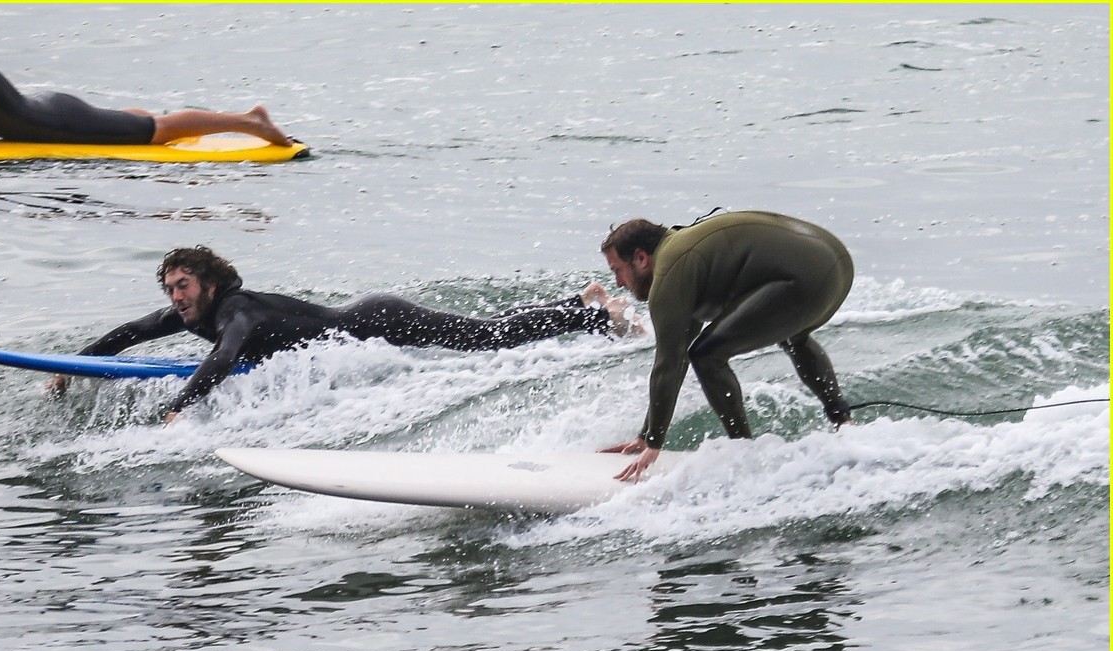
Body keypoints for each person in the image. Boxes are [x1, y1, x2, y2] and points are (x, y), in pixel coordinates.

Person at [48, 246, 638, 424]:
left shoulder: (236, 311)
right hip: (360, 325)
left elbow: (227, 357)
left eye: (182, 286)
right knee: (486, 333)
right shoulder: (192, 314)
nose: (174, 298)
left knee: (486, 339)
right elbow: (130, 332)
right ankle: (578, 303)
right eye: (170, 289)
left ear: (207, 283)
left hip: (373, 322)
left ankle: (594, 316)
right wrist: (71, 365)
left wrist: (180, 406)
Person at [598, 210, 854, 482]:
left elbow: (668, 364)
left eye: (618, 270)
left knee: (707, 355)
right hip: (836, 266)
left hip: (805, 277)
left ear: (641, 258)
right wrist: (645, 435)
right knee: (794, 334)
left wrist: (653, 444)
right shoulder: (684, 257)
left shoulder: (671, 273)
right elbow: (676, 357)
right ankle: (844, 423)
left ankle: (743, 450)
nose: (618, 283)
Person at [0, 4, 292, 146]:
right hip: (42, 112)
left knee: (159, 132)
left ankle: (249, 121)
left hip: (58, 122)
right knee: (129, 122)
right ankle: (130, 115)